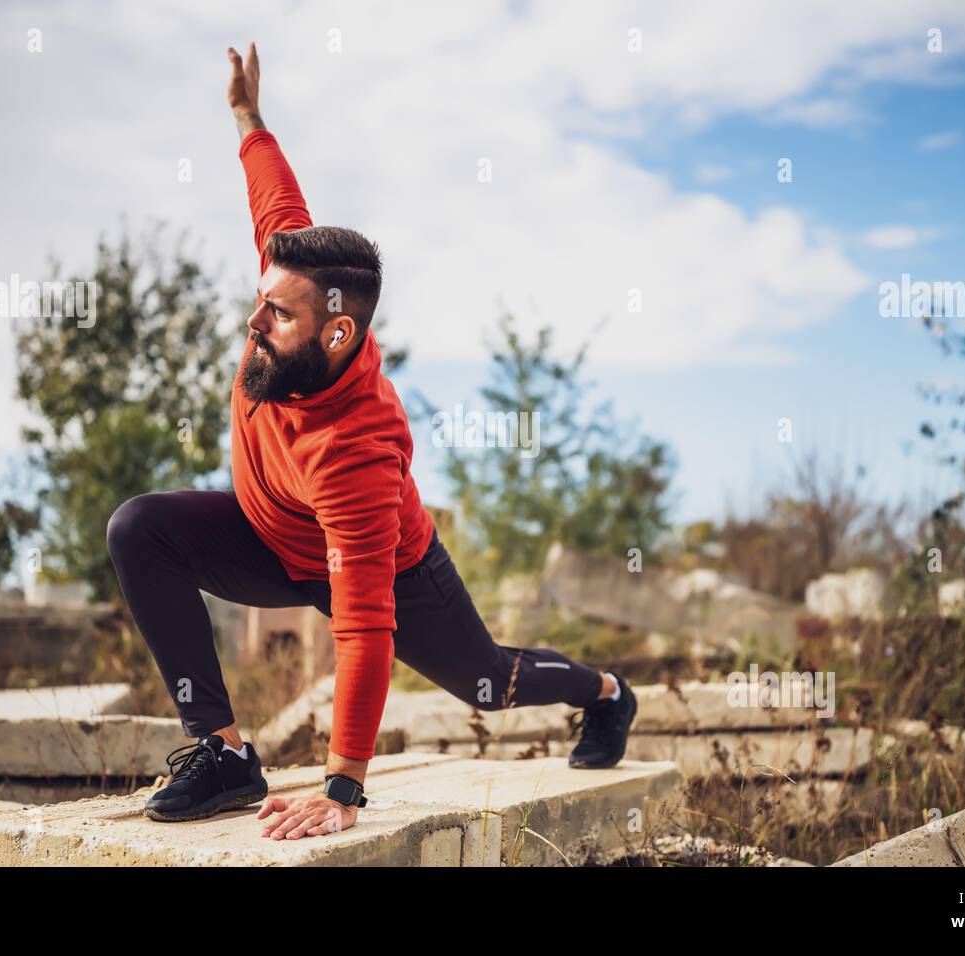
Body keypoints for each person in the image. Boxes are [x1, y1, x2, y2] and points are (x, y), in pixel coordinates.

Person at [105, 42, 637, 841]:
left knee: (489, 683)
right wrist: (248, 117)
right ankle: (221, 754)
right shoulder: (295, 293)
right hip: (276, 537)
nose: (254, 326)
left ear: (338, 332)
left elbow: (361, 630)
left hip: (392, 571)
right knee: (140, 527)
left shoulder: (357, 449)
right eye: (261, 304)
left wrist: (342, 787)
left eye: (276, 318)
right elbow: (275, 200)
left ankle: (605, 694)